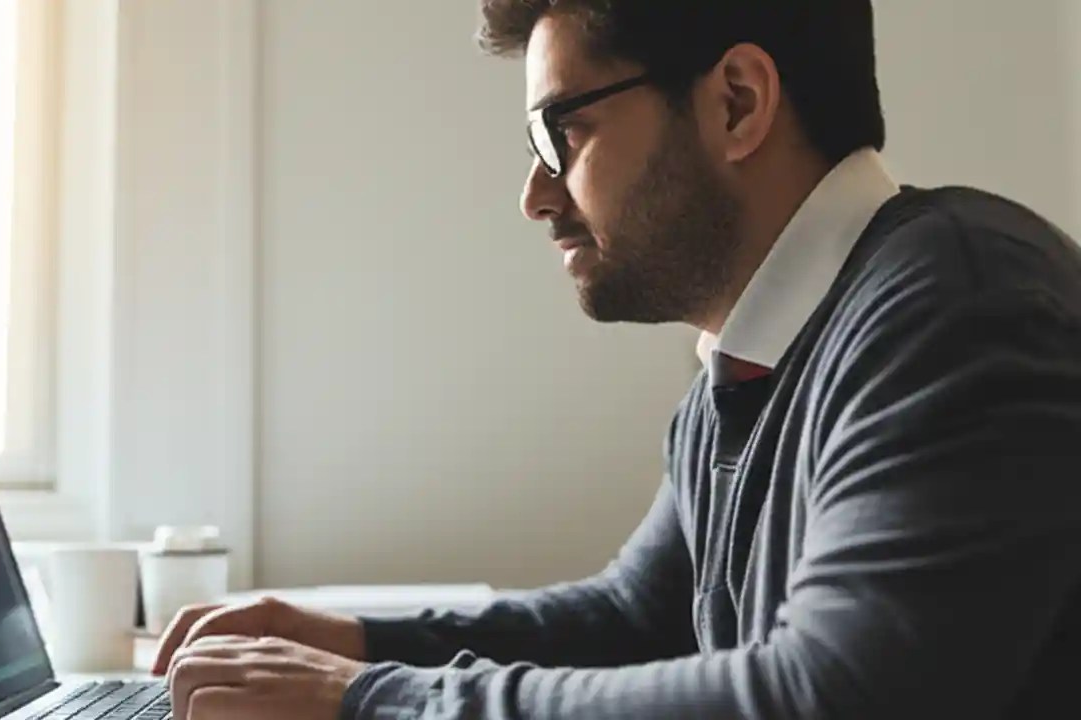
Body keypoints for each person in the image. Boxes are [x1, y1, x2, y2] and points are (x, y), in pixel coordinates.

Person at [151, 1, 1081, 718]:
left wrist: (371, 701)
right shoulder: (758, 355)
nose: (535, 194)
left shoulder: (959, 302)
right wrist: (355, 643)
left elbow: (830, 697)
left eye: (565, 130)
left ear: (737, 103)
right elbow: (634, 619)